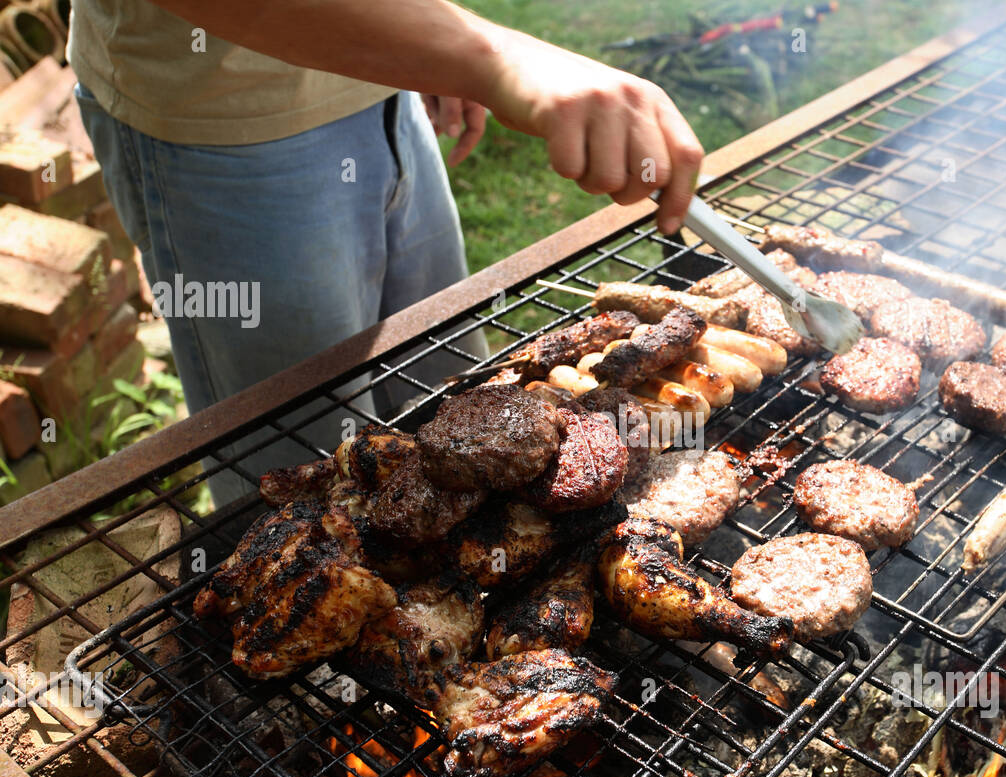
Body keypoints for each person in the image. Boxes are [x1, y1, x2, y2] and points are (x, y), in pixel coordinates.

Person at [68, 0, 704, 506]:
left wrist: (425, 44)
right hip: (227, 132)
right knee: (305, 481)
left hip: (384, 86)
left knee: (462, 406)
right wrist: (491, 58)